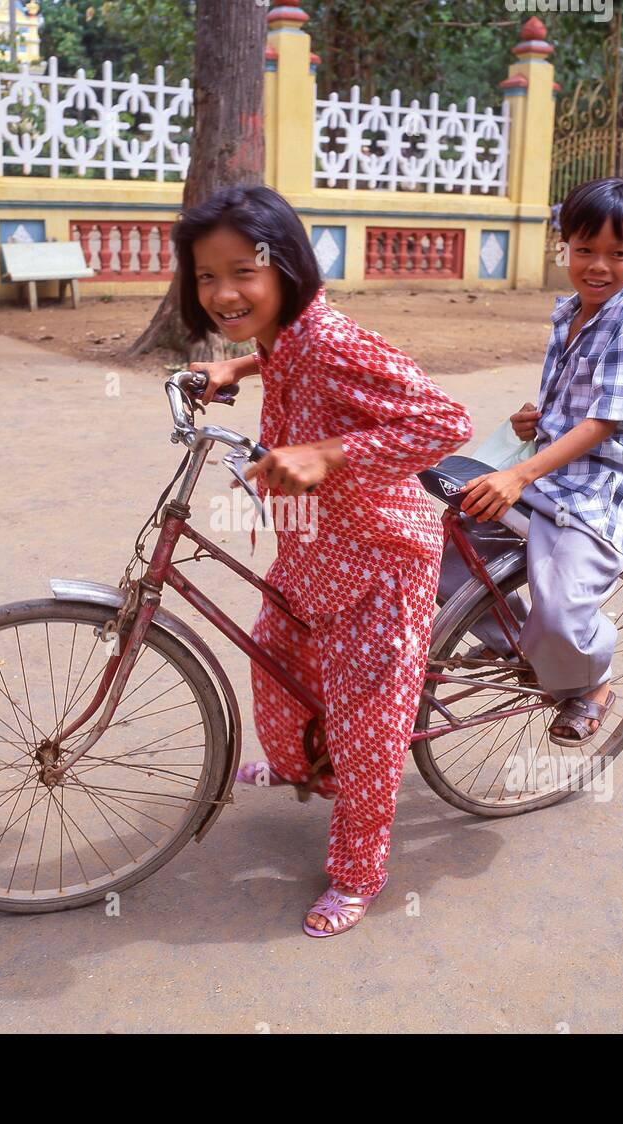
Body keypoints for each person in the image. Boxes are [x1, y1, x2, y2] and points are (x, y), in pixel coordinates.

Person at [180, 185, 472, 937]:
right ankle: (302, 765)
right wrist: (239, 370)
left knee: (367, 725)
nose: (223, 292)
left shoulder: (334, 340)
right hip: (312, 544)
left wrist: (327, 452)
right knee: (276, 653)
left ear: (285, 267)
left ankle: (357, 873)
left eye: (242, 271)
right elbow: (286, 357)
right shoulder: (285, 337)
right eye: (206, 275)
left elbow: (448, 420)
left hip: (380, 557)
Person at [440, 177, 623, 745]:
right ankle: (522, 649)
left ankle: (591, 683)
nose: (598, 265)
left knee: (564, 607)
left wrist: (519, 473)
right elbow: (575, 407)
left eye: (617, 254)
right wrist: (536, 419)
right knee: (444, 543)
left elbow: (604, 423)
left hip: (605, 487)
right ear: (563, 246)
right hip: (551, 471)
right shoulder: (569, 311)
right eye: (585, 249)